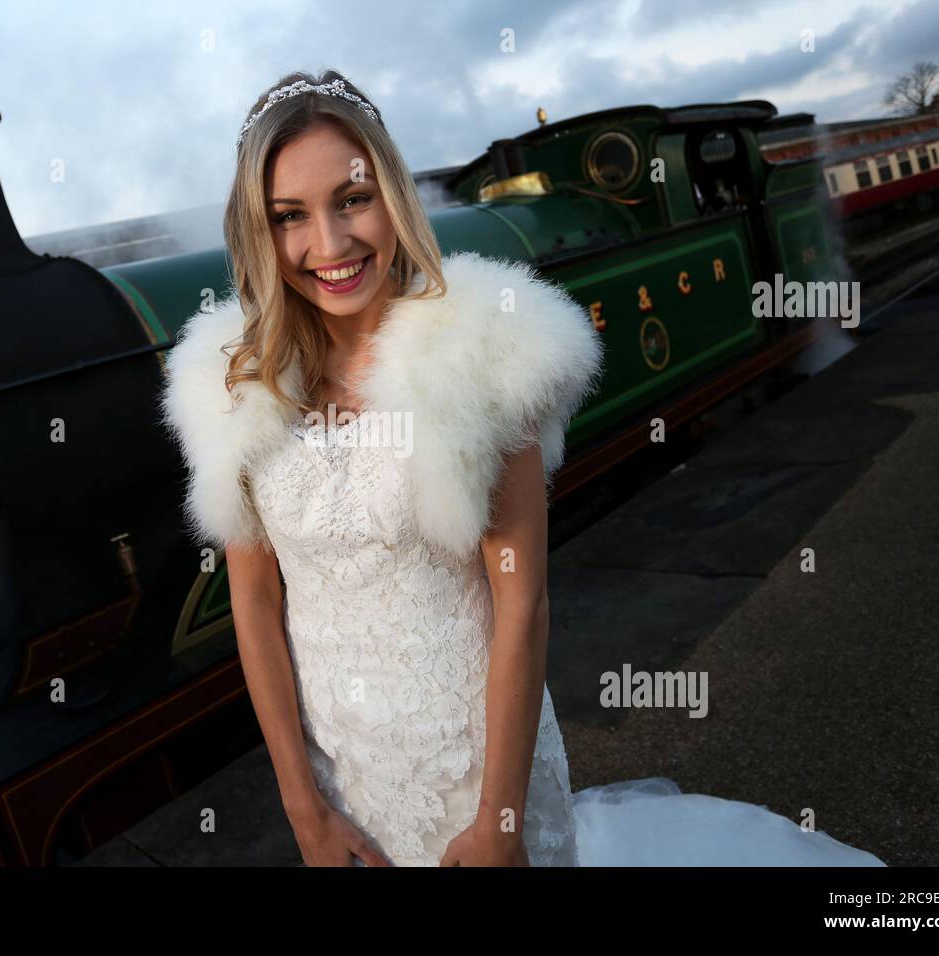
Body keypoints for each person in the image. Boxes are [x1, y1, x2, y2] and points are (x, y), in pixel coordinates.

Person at [159, 69, 886, 868]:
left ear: (394, 196)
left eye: (353, 199)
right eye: (290, 216)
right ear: (259, 234)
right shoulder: (232, 389)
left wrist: (498, 821)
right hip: (341, 770)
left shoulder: (484, 357)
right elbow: (256, 606)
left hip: (479, 764)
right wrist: (303, 807)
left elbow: (522, 603)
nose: (329, 245)